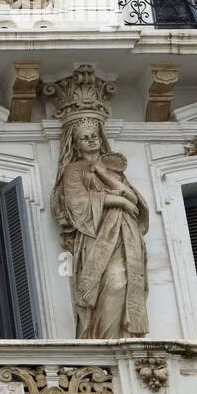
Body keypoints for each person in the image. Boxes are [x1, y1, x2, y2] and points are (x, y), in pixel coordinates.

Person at [51, 119, 149, 338]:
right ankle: (103, 339)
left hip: (124, 233)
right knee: (111, 283)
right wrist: (119, 201)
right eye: (85, 138)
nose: (91, 140)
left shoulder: (112, 169)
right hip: (96, 237)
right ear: (76, 145)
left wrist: (104, 174)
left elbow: (133, 199)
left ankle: (118, 337)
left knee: (122, 281)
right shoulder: (73, 170)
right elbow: (77, 203)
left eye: (94, 136)